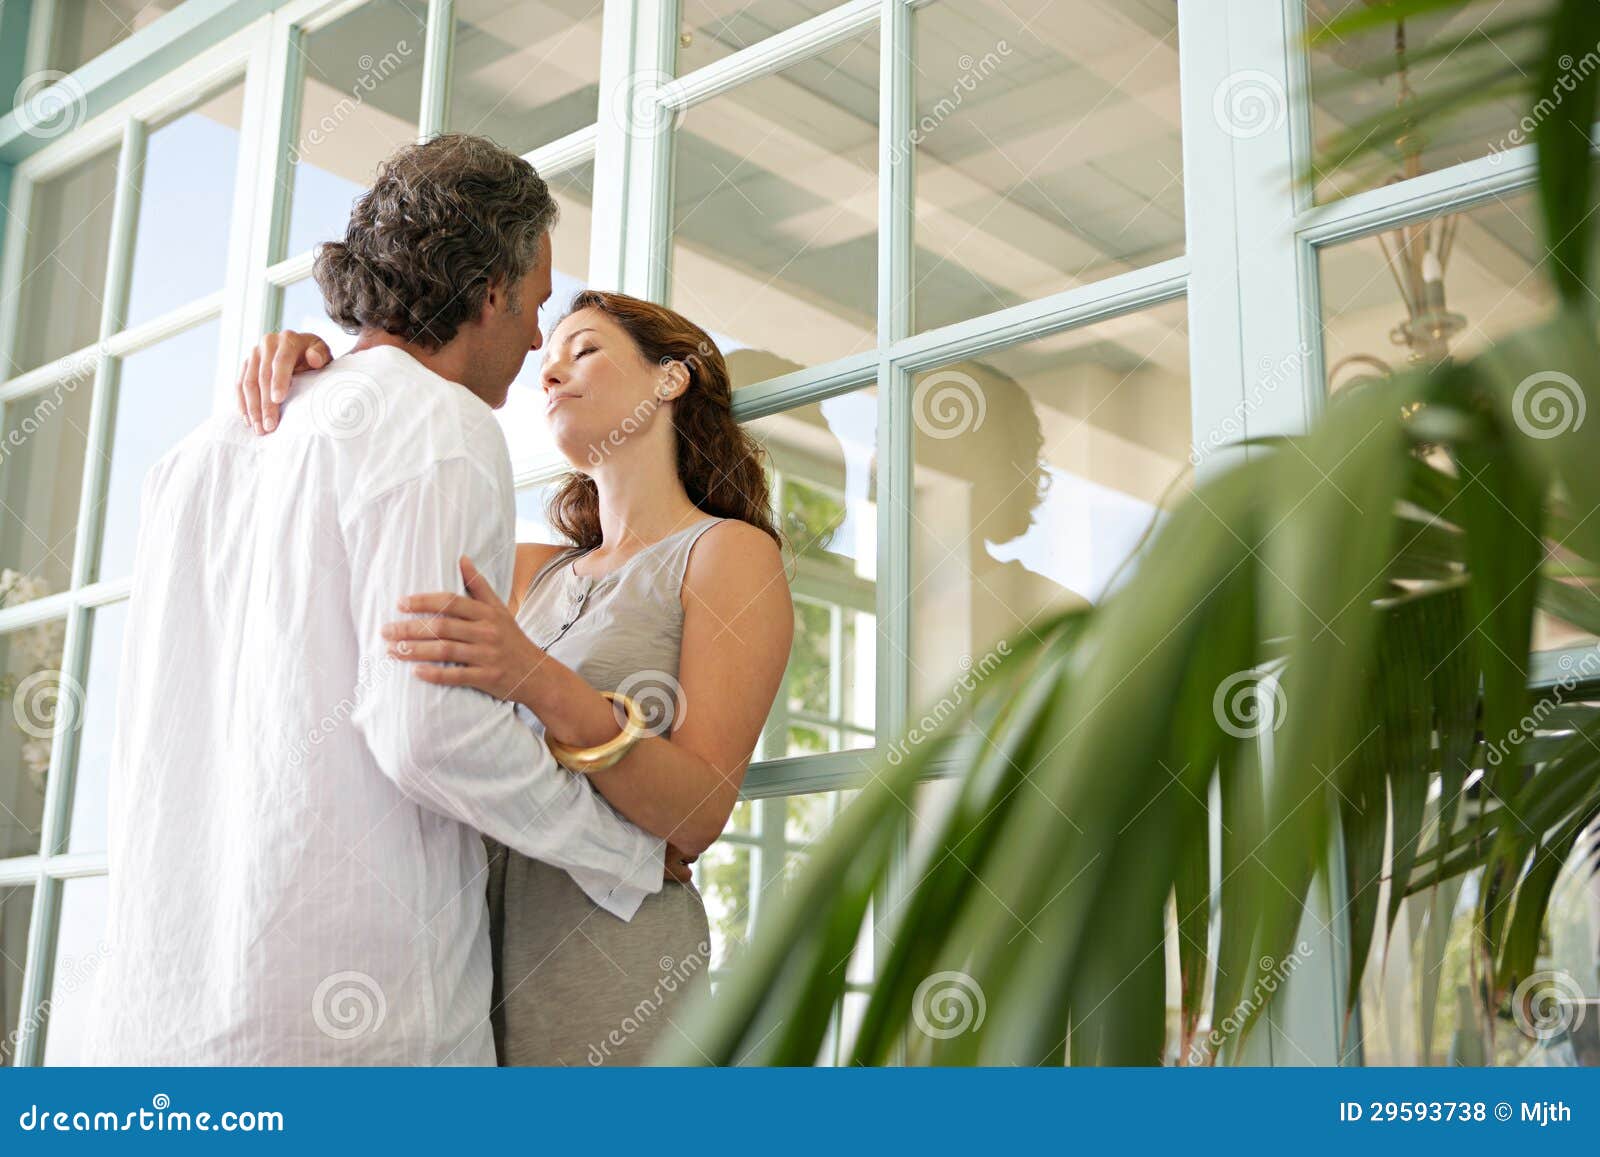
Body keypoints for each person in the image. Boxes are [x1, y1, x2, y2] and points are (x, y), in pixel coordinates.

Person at [88, 134, 689, 1066]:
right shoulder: (444, 426)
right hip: (357, 1025)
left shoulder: (198, 455)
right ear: (490, 292)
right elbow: (428, 728)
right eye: (535, 306)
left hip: (159, 1018)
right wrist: (622, 853)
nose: (535, 341)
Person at [236, 292, 793, 1064]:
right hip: (461, 963)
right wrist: (324, 374)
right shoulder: (531, 569)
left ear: (671, 379)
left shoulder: (728, 554)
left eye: (584, 350)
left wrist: (537, 678)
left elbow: (697, 817)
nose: (550, 372)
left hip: (612, 964)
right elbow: (355, 533)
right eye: (548, 358)